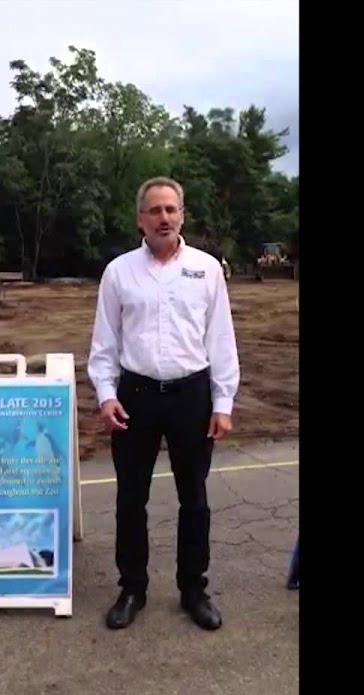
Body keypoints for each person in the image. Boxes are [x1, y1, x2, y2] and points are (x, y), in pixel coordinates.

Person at [88, 177, 240, 631]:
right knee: (130, 499)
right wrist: (106, 394)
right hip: (135, 397)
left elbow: (221, 340)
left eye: (171, 209)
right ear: (140, 219)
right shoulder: (119, 272)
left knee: (194, 498)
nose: (164, 218)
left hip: (191, 396)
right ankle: (132, 587)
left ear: (182, 216)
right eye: (154, 210)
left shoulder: (207, 269)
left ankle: (193, 589)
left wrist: (223, 401)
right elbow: (104, 342)